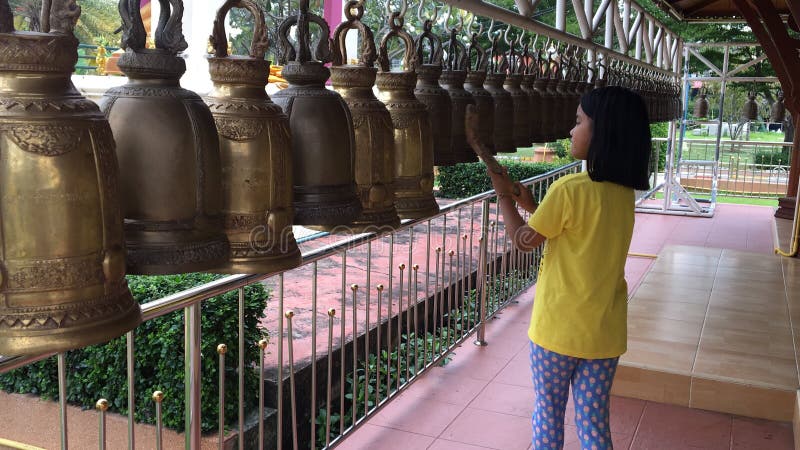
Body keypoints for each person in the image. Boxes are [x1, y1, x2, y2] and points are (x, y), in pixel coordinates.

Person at [487, 86, 651, 450]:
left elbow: (524, 240)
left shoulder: (568, 189)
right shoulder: (623, 193)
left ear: (601, 130)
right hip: (603, 334)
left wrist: (502, 195)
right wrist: (532, 206)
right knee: (593, 423)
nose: (571, 130)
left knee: (548, 415)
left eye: (578, 122)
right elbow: (576, 230)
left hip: (557, 331)